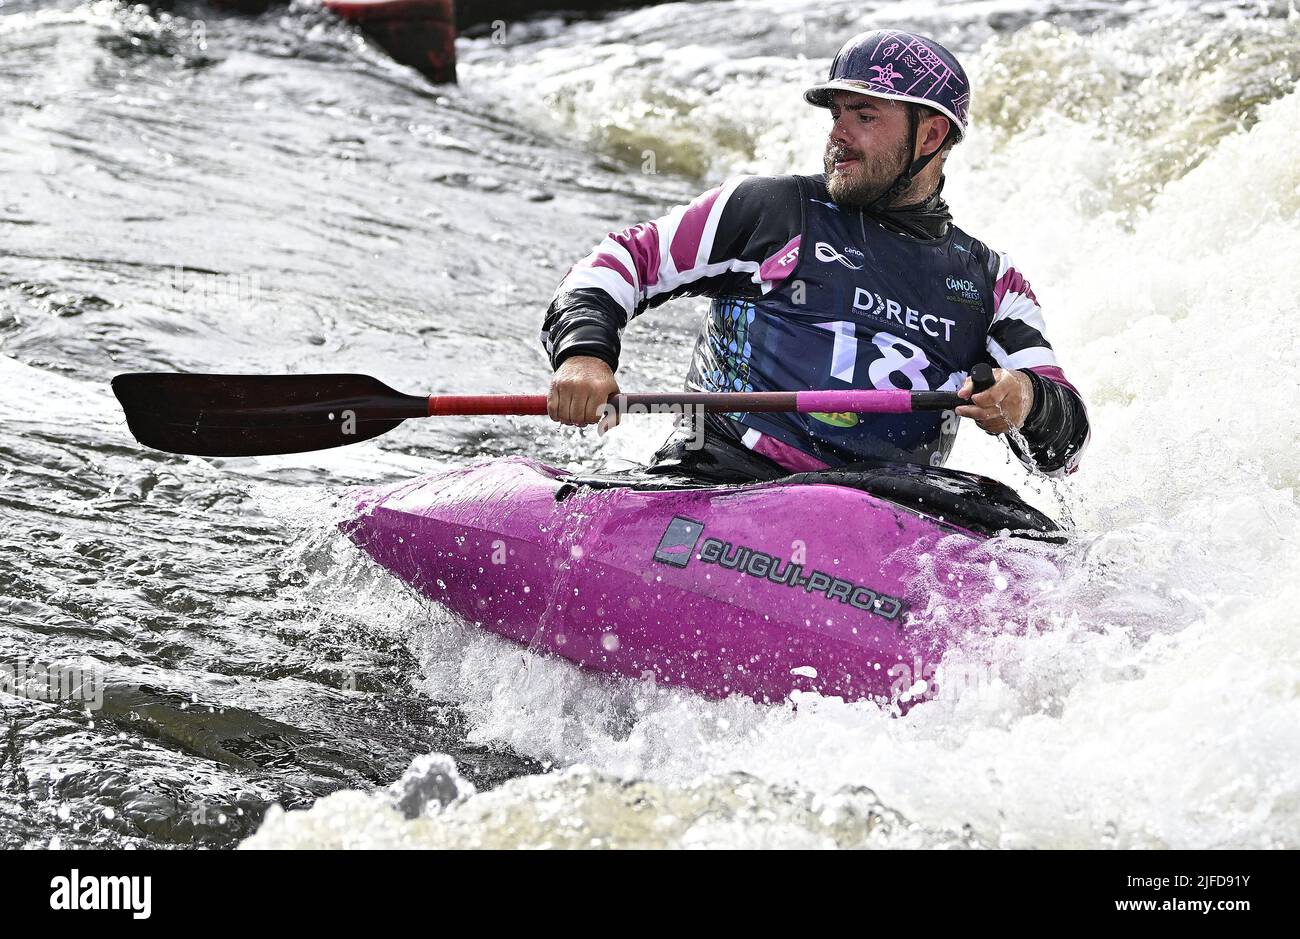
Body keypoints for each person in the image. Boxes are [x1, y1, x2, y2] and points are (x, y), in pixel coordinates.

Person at [541, 28, 1089, 483]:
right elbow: (620, 262)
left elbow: (1065, 450)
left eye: (865, 117)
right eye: (836, 115)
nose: (838, 136)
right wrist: (584, 355)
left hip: (886, 517)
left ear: (931, 136)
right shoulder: (768, 211)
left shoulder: (991, 283)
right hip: (726, 477)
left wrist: (1026, 401)